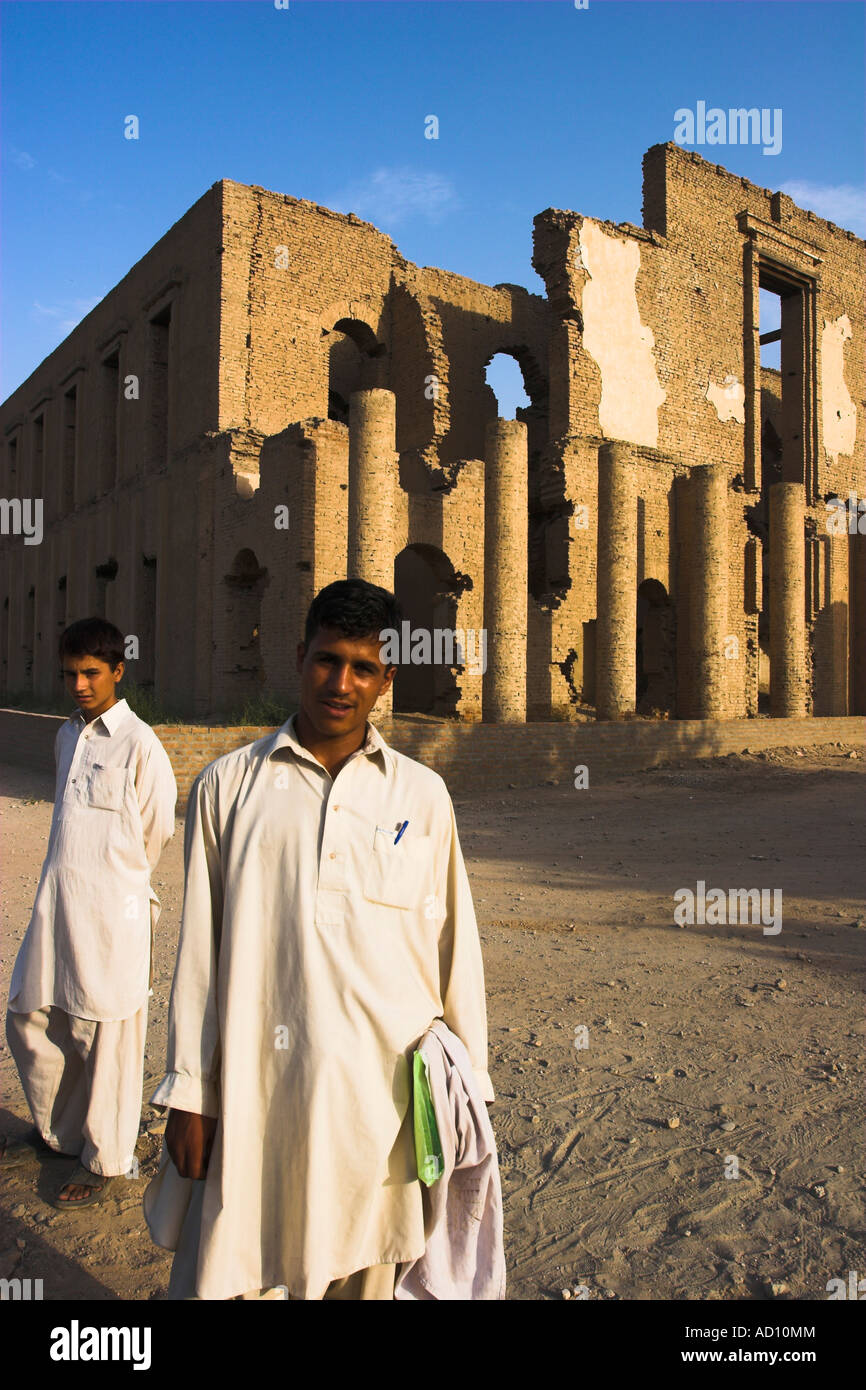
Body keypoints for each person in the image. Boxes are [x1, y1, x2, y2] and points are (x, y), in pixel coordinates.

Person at [144, 578, 494, 1300]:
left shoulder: (421, 797)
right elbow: (200, 957)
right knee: (236, 1263)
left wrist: (472, 1092)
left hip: (380, 1113)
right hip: (257, 1097)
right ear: (299, 656)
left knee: (363, 1272)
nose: (342, 684)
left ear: (387, 679)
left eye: (363, 668)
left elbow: (454, 947)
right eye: (328, 661)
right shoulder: (227, 787)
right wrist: (189, 1090)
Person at [1, 617, 177, 1207]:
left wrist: (117, 886)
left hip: (113, 913)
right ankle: (59, 1132)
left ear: (117, 671)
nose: (78, 684)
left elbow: (154, 832)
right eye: (70, 674)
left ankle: (105, 1157)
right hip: (57, 903)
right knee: (32, 1014)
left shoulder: (139, 743)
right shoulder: (65, 736)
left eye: (90, 673)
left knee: (107, 1035)